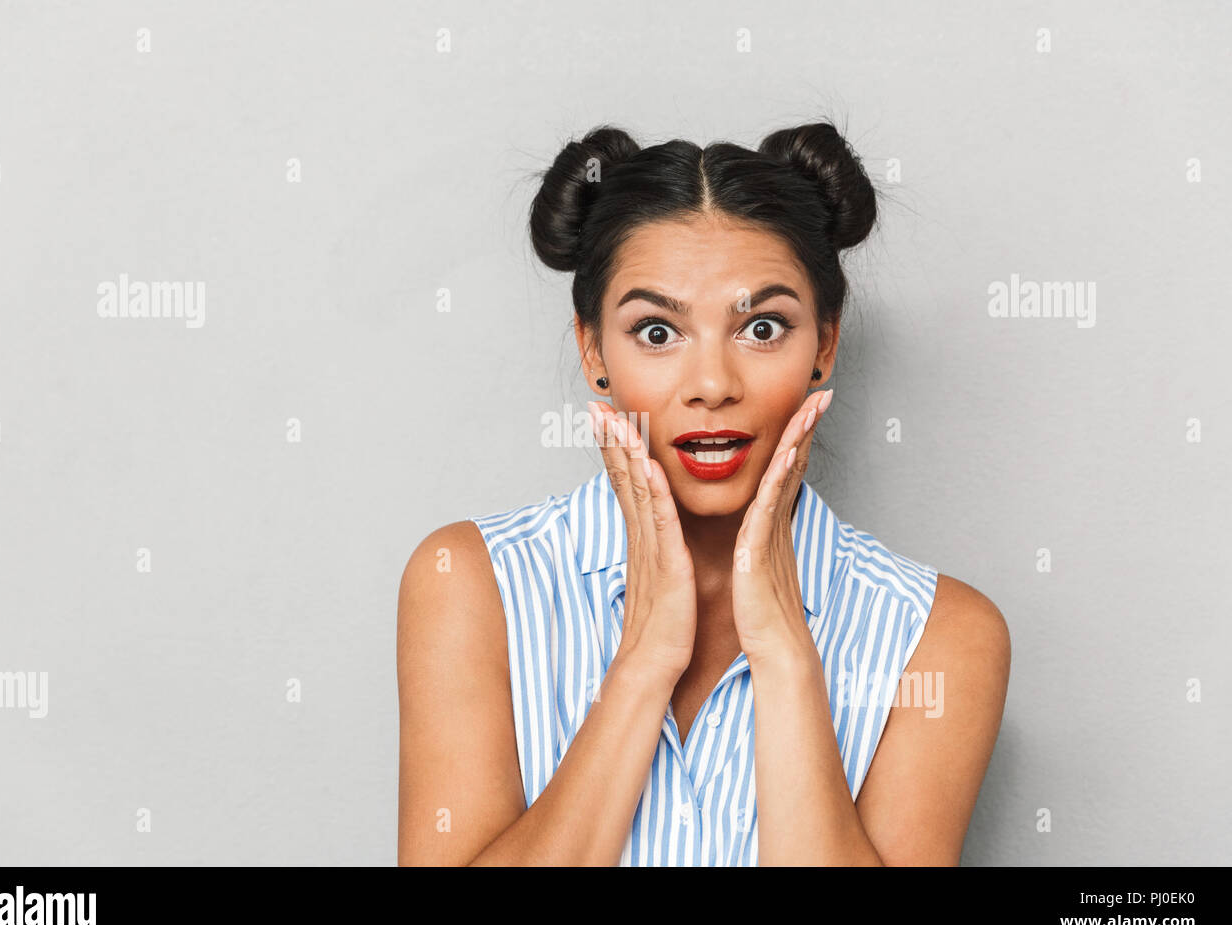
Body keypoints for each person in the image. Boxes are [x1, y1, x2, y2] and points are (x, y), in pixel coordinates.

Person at [397, 122, 1011, 865]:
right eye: (657, 333)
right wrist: (644, 663)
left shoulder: (940, 635)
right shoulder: (470, 584)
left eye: (762, 327)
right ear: (593, 350)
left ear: (824, 344)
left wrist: (784, 654)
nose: (713, 385)